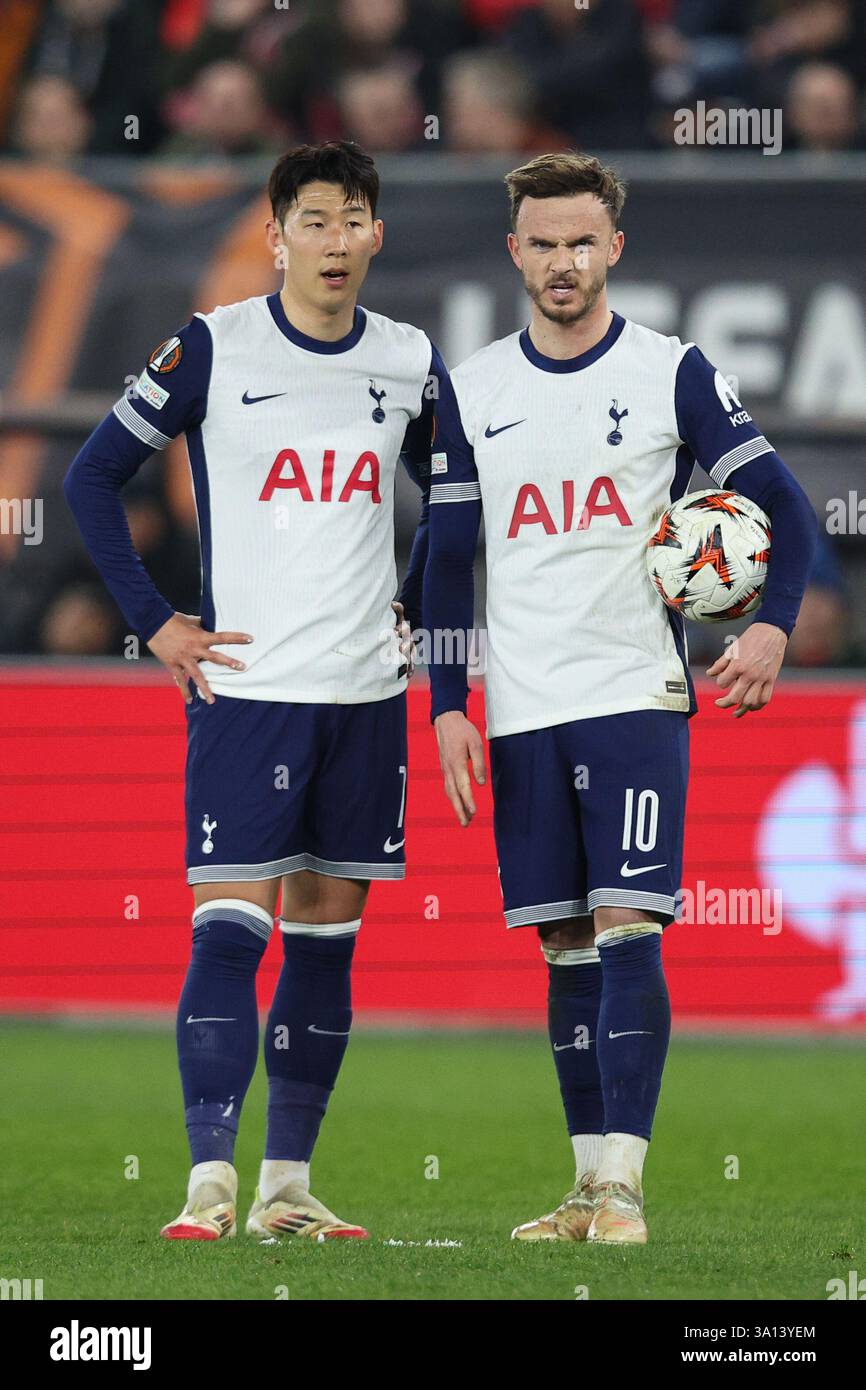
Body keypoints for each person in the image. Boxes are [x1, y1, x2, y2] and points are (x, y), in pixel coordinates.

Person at [421, 151, 817, 1244]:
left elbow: (781, 502)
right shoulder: (471, 388)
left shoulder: (672, 371)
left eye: (579, 241)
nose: (561, 261)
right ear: (515, 252)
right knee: (560, 946)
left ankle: (628, 1192)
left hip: (632, 694)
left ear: (613, 248)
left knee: (627, 923)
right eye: (541, 243)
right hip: (517, 704)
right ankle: (586, 1185)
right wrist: (447, 700)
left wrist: (771, 623)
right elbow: (444, 559)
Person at [64, 140, 442, 1242]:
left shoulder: (410, 360)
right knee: (230, 935)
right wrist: (156, 623)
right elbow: (90, 475)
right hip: (249, 688)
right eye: (313, 220)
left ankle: (286, 1188)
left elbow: (458, 499)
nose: (334, 240)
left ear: (376, 235)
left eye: (352, 219)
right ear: (275, 236)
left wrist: (420, 600)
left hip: (366, 698)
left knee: (327, 949)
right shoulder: (209, 347)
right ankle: (205, 1184)